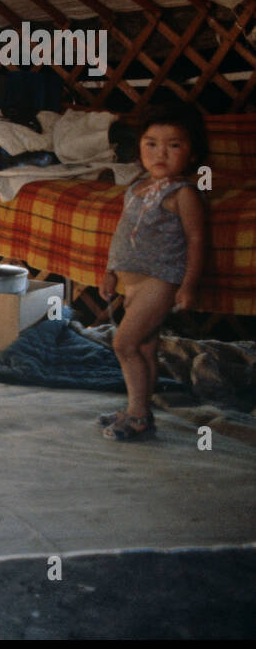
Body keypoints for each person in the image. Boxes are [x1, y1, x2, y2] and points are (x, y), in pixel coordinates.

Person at [98, 105, 208, 441]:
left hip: (160, 281)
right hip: (132, 281)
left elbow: (196, 238)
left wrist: (188, 284)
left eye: (173, 145)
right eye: (151, 144)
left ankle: (138, 416)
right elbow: (121, 234)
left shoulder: (184, 193)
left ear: (192, 154)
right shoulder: (137, 187)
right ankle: (138, 410)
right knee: (144, 348)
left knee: (124, 343)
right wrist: (110, 273)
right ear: (140, 149)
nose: (161, 153)